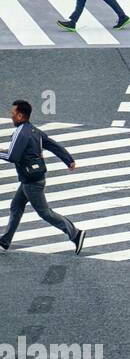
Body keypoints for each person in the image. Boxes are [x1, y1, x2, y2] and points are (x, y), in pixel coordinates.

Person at [0, 100, 84, 253]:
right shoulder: (33, 131)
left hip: (31, 181)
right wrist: (68, 160)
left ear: (20, 115)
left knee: (45, 212)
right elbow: (52, 144)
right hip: (31, 177)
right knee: (16, 206)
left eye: (12, 114)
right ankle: (5, 240)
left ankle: (75, 234)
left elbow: (13, 156)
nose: (11, 116)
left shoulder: (20, 132)